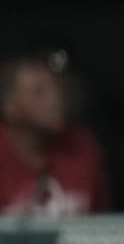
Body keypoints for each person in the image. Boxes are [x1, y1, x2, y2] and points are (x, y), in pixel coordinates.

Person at [0, 54, 109, 216]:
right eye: (39, 92)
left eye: (56, 89)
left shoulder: (83, 146)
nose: (55, 99)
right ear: (9, 106)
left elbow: (106, 222)